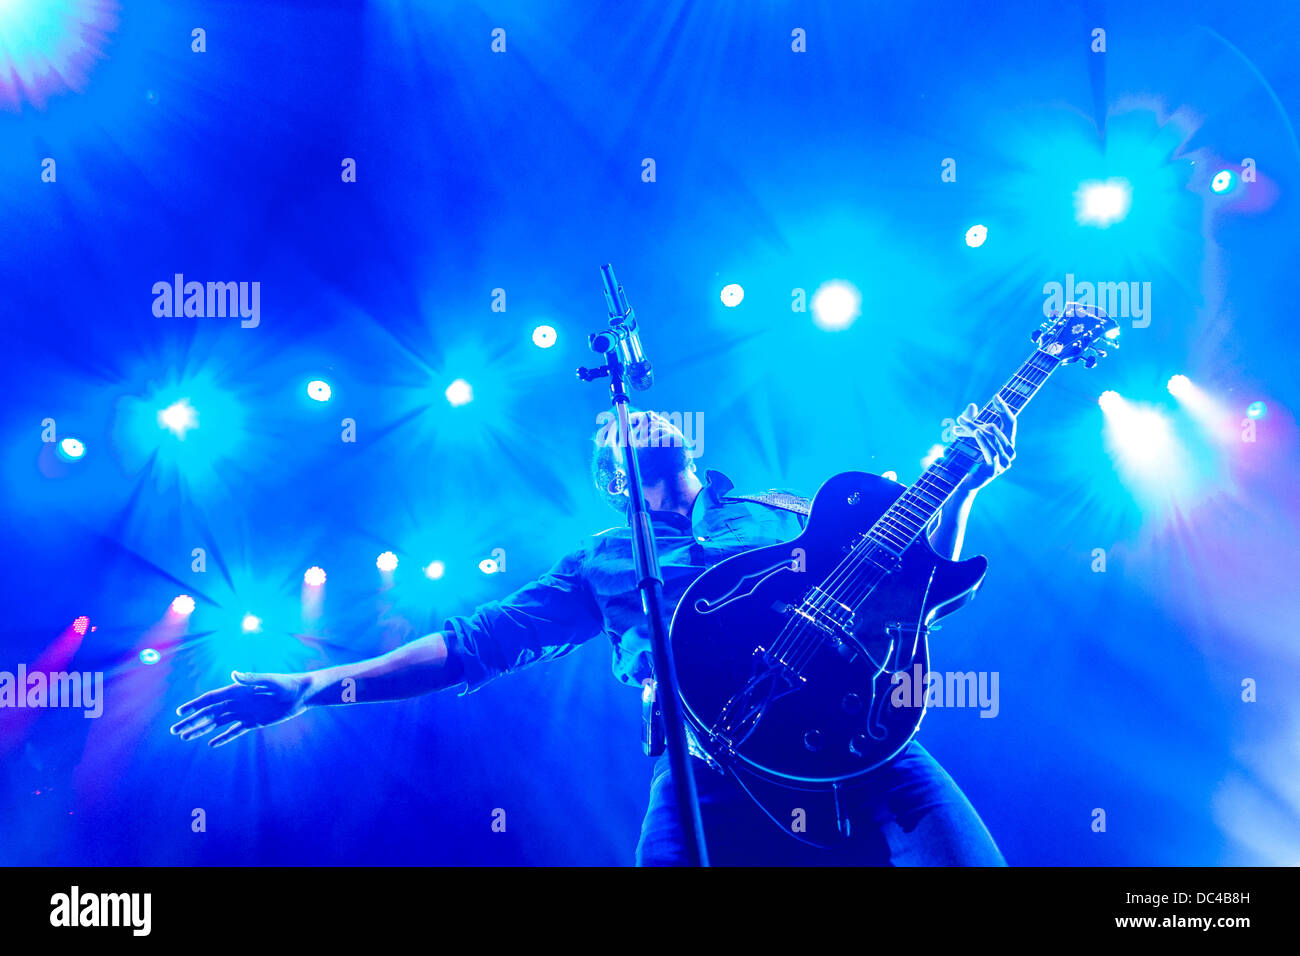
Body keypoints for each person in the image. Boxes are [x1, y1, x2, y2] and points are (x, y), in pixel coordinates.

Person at [171, 401, 1017, 866]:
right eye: (619, 427)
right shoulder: (604, 562)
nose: (639, 418)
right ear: (613, 476)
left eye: (650, 413)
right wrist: (314, 685)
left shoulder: (781, 514)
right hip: (707, 764)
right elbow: (476, 642)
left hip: (866, 744)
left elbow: (912, 589)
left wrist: (965, 486)